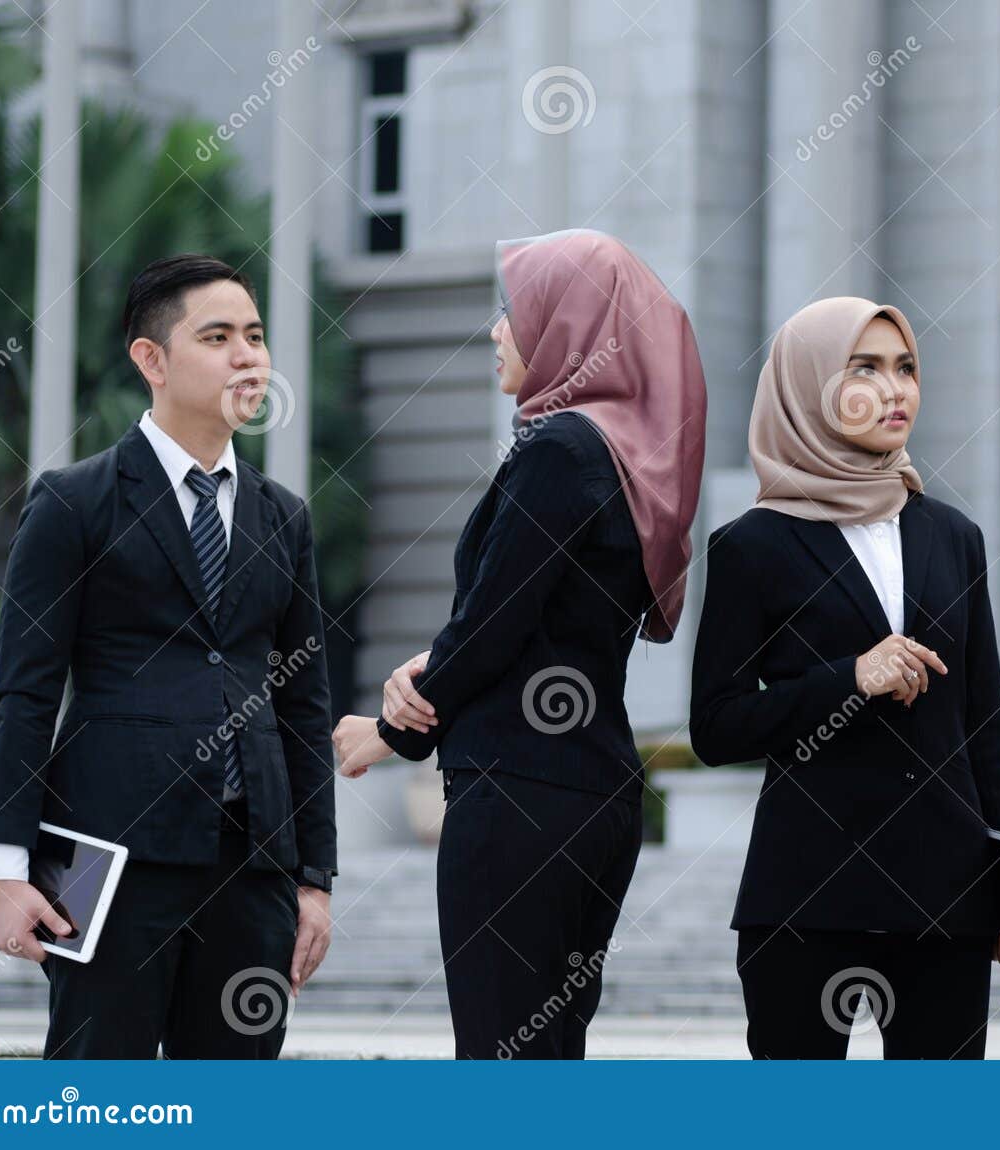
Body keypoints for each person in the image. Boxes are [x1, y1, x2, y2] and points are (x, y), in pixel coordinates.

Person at [333, 229, 707, 1060]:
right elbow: (541, 620)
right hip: (592, 792)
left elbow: (495, 622)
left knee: (500, 1058)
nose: (498, 332)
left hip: (521, 798)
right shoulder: (623, 457)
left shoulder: (562, 450)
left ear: (566, 325)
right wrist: (434, 665)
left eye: (513, 312)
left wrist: (389, 732)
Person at [0, 254, 337, 1058]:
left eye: (255, 335)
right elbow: (27, 693)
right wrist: (4, 870)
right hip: (99, 856)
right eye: (218, 336)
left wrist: (314, 879)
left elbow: (304, 706)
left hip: (253, 863)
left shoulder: (284, 518)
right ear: (152, 360)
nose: (248, 356)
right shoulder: (73, 502)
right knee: (99, 1097)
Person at [689, 296, 1000, 1060]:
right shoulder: (752, 545)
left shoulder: (954, 536)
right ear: (809, 385)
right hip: (807, 896)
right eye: (865, 368)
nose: (896, 388)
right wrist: (850, 679)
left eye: (905, 367)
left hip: (946, 901)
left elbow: (984, 722)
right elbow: (715, 724)